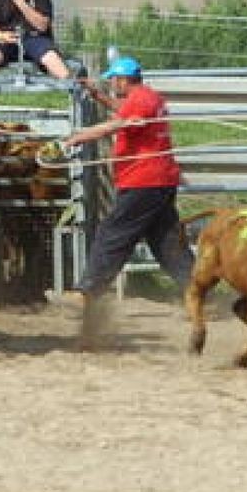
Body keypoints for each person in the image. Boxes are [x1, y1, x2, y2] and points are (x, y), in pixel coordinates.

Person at [63, 55, 195, 340]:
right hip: (158, 180)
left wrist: (82, 136)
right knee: (166, 242)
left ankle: (87, 290)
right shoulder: (150, 98)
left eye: (113, 79)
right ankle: (198, 289)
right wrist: (97, 95)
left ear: (124, 80)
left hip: (143, 181)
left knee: (113, 233)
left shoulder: (141, 101)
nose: (112, 83)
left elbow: (120, 123)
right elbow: (125, 114)